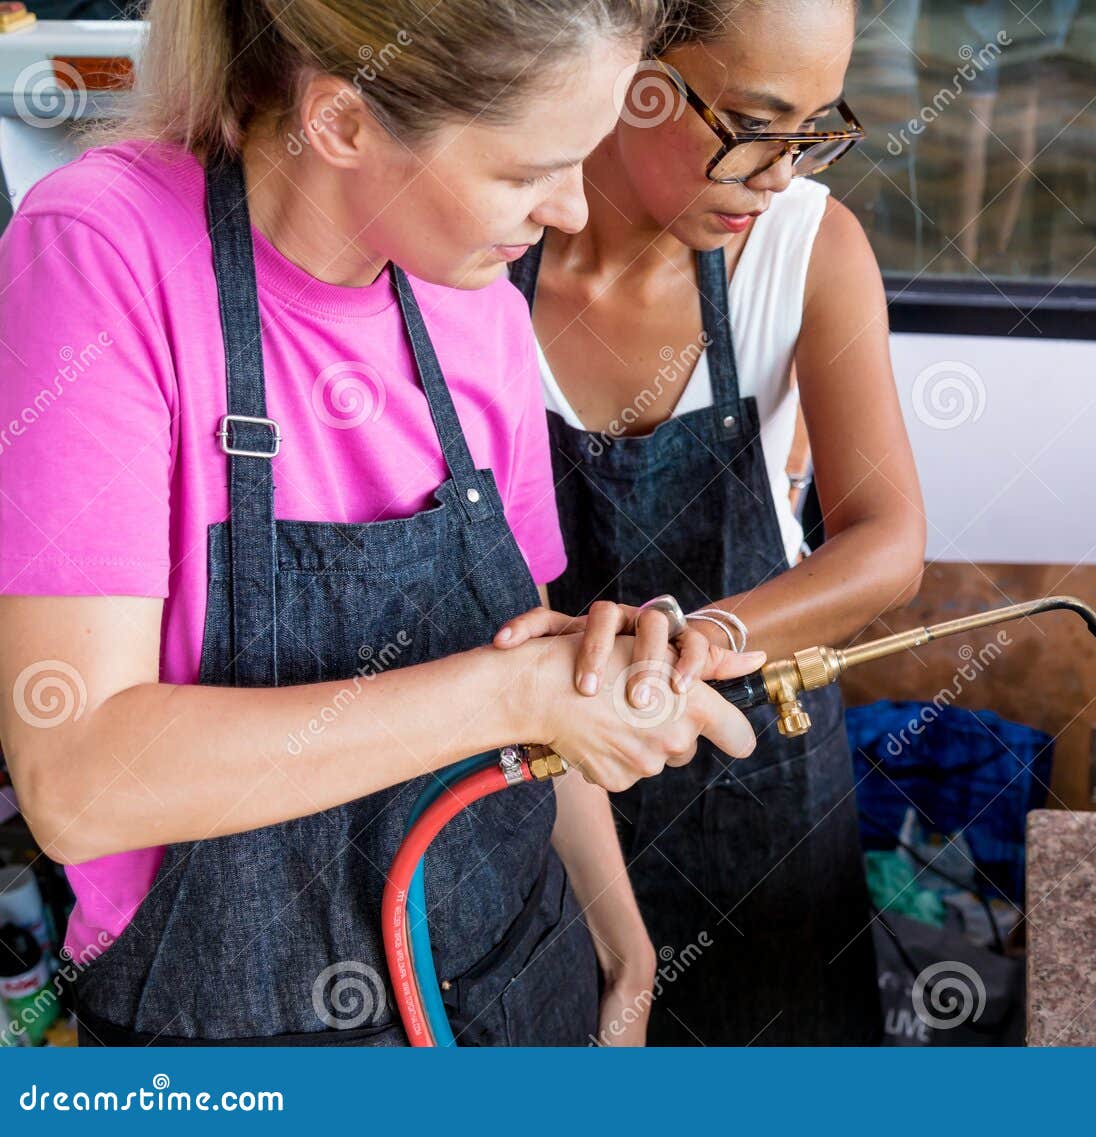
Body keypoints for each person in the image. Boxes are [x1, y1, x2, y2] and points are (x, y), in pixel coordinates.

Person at [0, 0, 762, 1046]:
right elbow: (79, 781)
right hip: (242, 1038)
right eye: (525, 170)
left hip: (519, 979)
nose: (573, 213)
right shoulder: (103, 252)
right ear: (343, 123)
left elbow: (538, 663)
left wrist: (623, 959)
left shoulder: (473, 289)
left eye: (581, 162)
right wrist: (509, 693)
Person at [497, 0, 927, 1044]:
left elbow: (886, 543)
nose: (780, 171)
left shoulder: (805, 249)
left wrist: (714, 636)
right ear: (626, 72)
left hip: (756, 785)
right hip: (534, 778)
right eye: (752, 124)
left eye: (814, 128)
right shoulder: (479, 257)